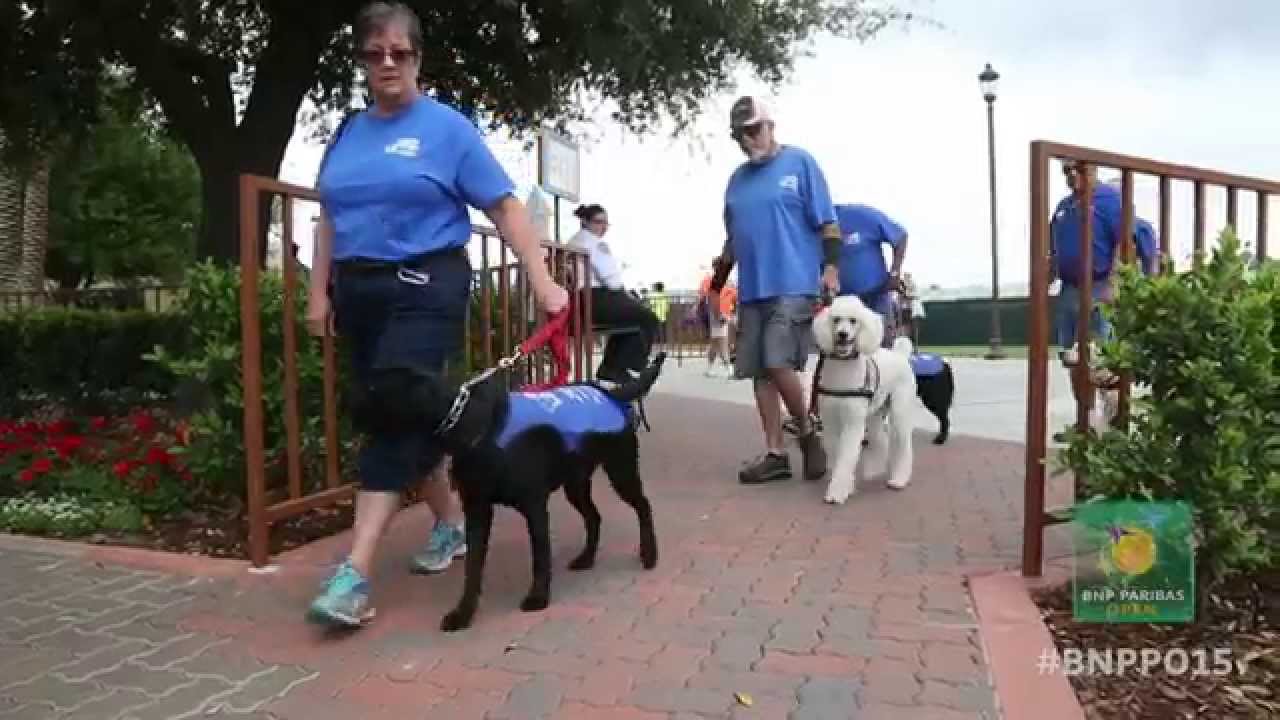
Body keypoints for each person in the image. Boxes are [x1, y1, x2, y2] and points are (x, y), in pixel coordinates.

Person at [305, 1, 568, 627]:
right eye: (374, 53)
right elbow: (328, 220)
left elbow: (504, 207)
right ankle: (450, 524)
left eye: (400, 52)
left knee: (394, 413)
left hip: (428, 283)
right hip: (360, 291)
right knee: (394, 412)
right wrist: (319, 293)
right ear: (362, 61)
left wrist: (542, 278)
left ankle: (355, 575)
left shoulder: (448, 130)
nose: (387, 63)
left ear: (418, 57)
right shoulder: (346, 134)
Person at [708, 96, 841, 485]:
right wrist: (717, 285)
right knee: (758, 371)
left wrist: (830, 269)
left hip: (795, 283)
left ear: (770, 126)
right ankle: (775, 453)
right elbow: (733, 241)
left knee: (777, 360)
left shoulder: (800, 163)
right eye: (739, 135)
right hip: (753, 289)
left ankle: (806, 429)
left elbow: (828, 223)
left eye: (753, 130)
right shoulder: (736, 181)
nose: (748, 141)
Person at [1049, 163, 1158, 426]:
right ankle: (1083, 418)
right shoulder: (1064, 207)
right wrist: (1049, 273)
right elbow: (1053, 248)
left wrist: (1115, 283)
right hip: (1070, 289)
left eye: (1078, 169)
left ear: (1093, 170)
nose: (1072, 175)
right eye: (1066, 171)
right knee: (1072, 359)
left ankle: (1115, 418)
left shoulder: (1109, 200)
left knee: (1104, 358)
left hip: (1100, 287)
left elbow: (1132, 242)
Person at [567, 203, 659, 384]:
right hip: (596, 298)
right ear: (585, 222)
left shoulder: (573, 241)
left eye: (606, 224)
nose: (603, 228)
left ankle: (613, 367)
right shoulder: (595, 243)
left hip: (578, 301)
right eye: (599, 222)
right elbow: (612, 281)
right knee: (647, 318)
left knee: (628, 319)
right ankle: (631, 366)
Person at [832, 203, 909, 347]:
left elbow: (900, 236)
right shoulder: (809, 227)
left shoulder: (861, 215)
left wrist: (894, 273)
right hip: (840, 305)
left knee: (883, 349)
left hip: (875, 298)